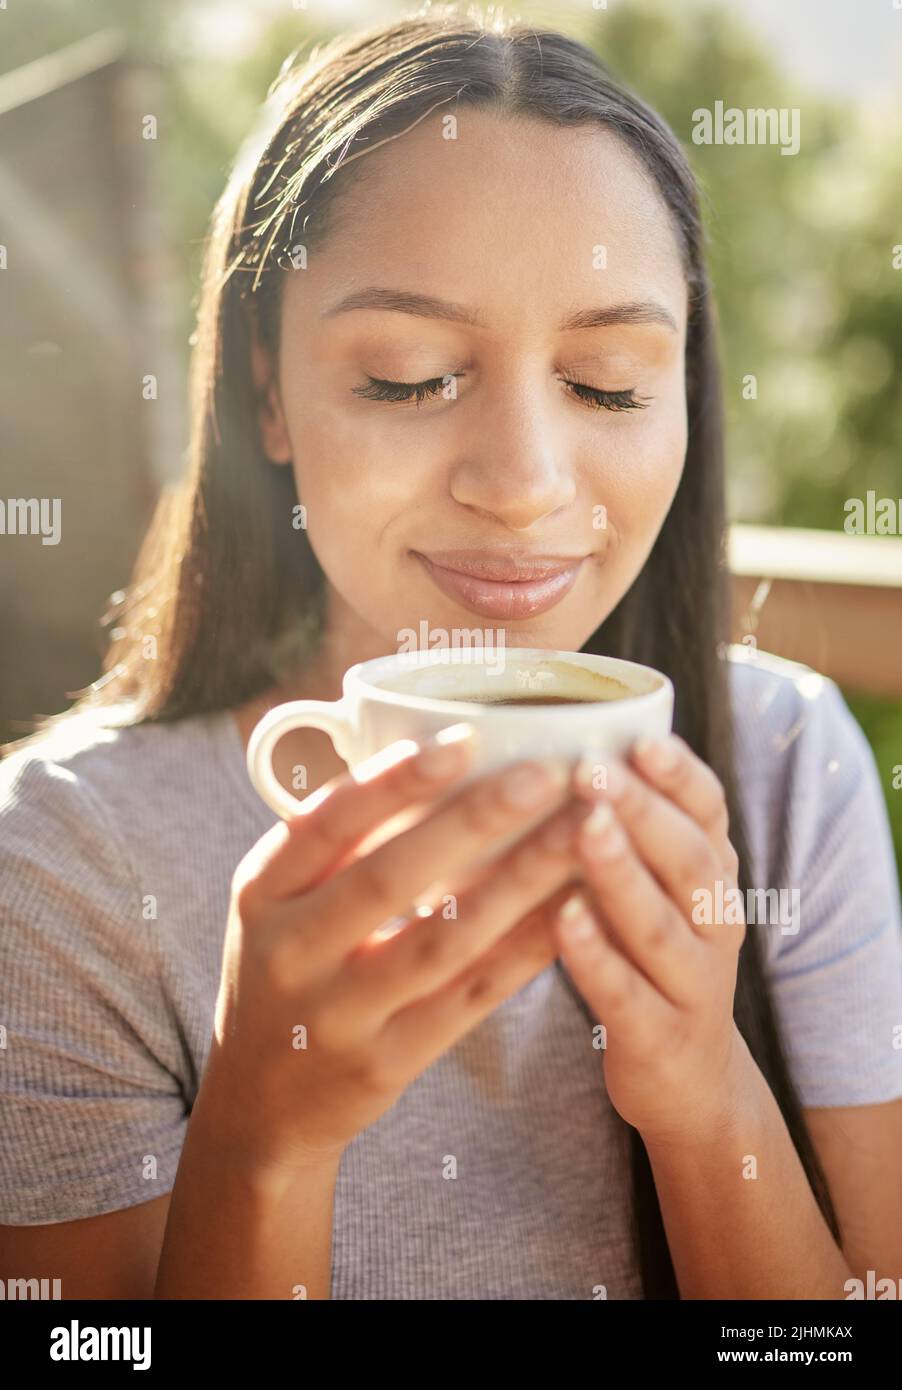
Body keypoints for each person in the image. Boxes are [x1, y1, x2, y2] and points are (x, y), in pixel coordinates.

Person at [1, 8, 900, 1300]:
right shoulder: (69, 861)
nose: (525, 486)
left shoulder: (781, 761)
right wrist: (263, 1139)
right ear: (265, 387)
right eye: (411, 376)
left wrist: (705, 1097)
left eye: (604, 383)